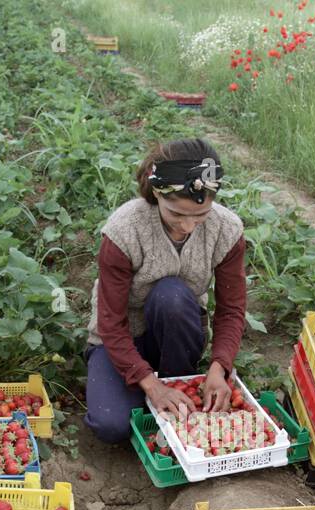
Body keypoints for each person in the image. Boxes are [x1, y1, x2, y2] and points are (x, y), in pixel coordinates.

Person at [84, 137, 248, 442]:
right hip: (120, 338)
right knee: (111, 424)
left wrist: (219, 367)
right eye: (176, 213)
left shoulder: (226, 230)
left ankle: (179, 377)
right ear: (156, 193)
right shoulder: (124, 230)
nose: (187, 226)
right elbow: (110, 323)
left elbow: (231, 310)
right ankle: (152, 388)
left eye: (200, 215)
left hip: (175, 332)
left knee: (170, 295)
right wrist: (151, 385)